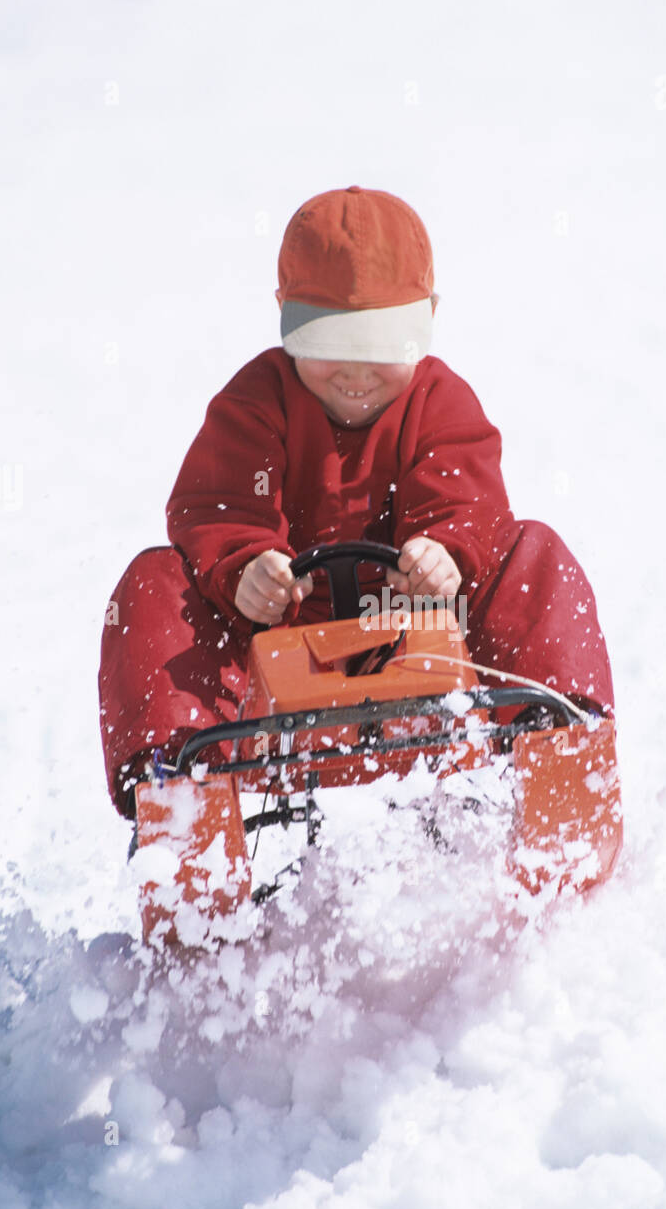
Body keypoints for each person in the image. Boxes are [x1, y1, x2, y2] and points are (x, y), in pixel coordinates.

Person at [99, 186, 615, 818]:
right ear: (284, 314)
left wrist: (445, 550)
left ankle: (561, 742)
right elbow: (218, 504)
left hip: (421, 649)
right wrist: (245, 566)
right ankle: (176, 783)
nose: (355, 371)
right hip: (277, 668)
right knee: (154, 582)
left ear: (428, 317)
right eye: (328, 346)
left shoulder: (438, 401)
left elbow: (467, 493)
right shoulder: (254, 403)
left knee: (534, 552)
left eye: (381, 346)